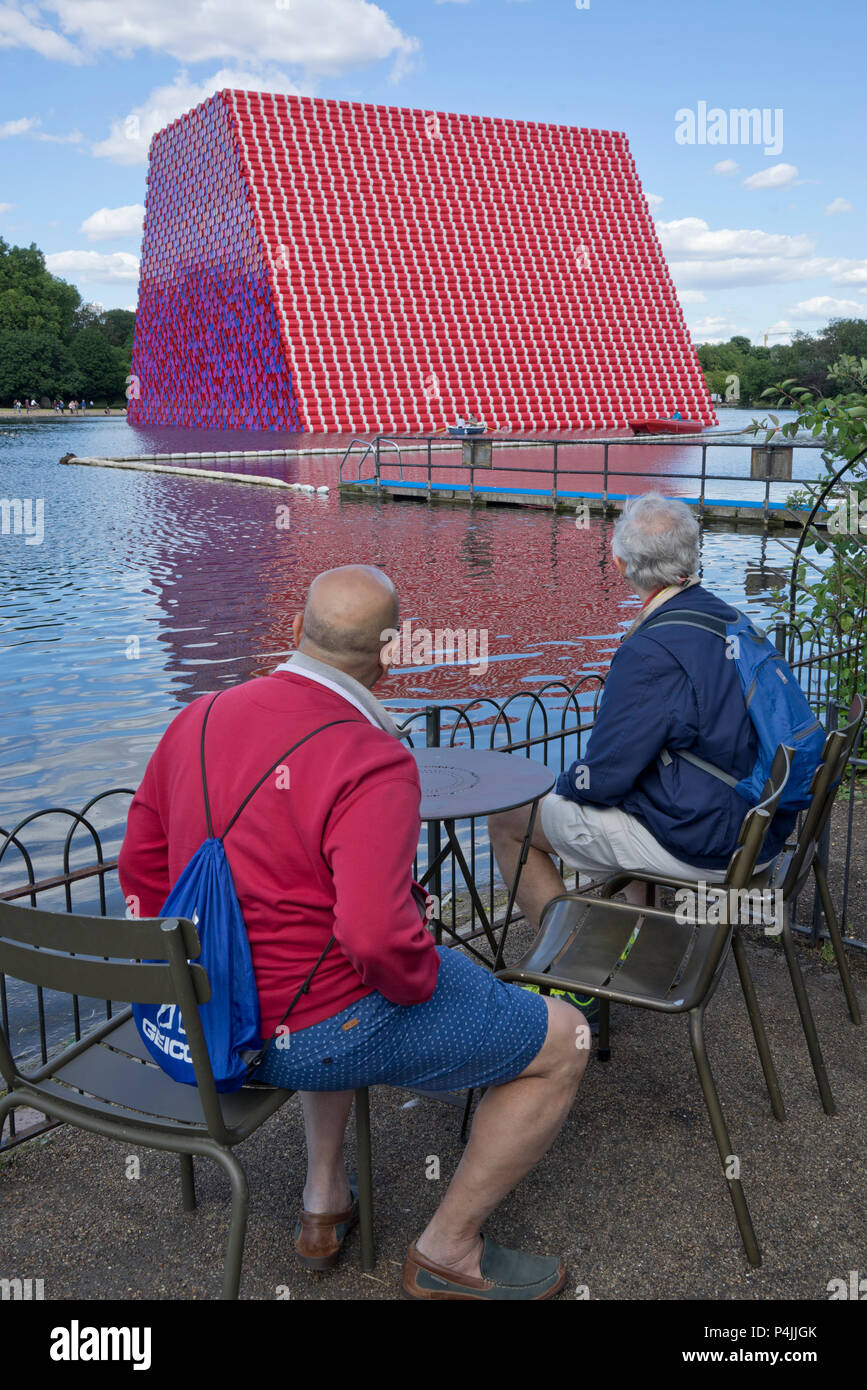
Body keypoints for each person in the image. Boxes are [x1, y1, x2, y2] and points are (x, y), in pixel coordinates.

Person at [119, 564, 588, 1300]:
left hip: (210, 1021)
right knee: (565, 1041)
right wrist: (420, 978)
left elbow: (143, 871)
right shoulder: (372, 757)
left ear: (294, 631)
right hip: (313, 1031)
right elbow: (374, 939)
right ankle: (447, 1251)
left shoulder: (198, 717)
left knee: (321, 963)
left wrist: (195, 978)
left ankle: (323, 1200)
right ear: (390, 653)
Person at [489, 492, 797, 942]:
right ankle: (646, 936)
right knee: (635, 791)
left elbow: (604, 778)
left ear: (619, 565)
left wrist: (565, 785)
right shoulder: (733, 620)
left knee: (510, 820)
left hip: (711, 841)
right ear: (692, 555)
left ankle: (568, 961)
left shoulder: (649, 651)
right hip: (763, 828)